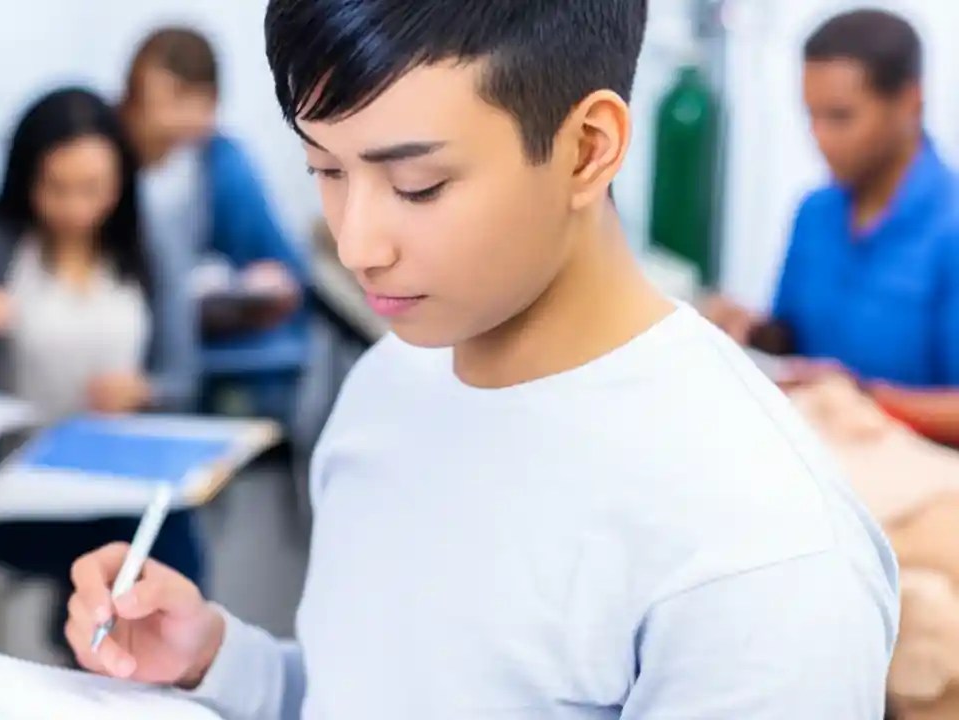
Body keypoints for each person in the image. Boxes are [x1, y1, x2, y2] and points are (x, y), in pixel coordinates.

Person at [65, 1, 899, 718]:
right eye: (324, 167)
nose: (358, 246)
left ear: (587, 149)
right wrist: (218, 660)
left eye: (417, 185)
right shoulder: (388, 382)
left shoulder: (758, 551)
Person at [0, 87, 203, 650]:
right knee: (130, 551)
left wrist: (144, 391)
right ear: (25, 178)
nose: (75, 209)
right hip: (16, 482)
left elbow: (183, 376)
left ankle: (150, 670)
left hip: (122, 471)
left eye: (93, 190)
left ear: (121, 185)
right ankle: (111, 661)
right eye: (55, 188)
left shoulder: (149, 242)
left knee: (158, 537)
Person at [705, 11, 959, 396]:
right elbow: (796, 345)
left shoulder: (949, 229)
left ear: (909, 103)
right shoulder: (814, 213)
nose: (820, 138)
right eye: (812, 115)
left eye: (840, 117)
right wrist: (752, 331)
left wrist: (861, 396)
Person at [122, 27, 309, 422]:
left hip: (210, 354)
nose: (156, 119)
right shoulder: (103, 158)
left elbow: (284, 271)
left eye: (175, 101)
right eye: (145, 101)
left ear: (209, 102)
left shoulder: (222, 165)